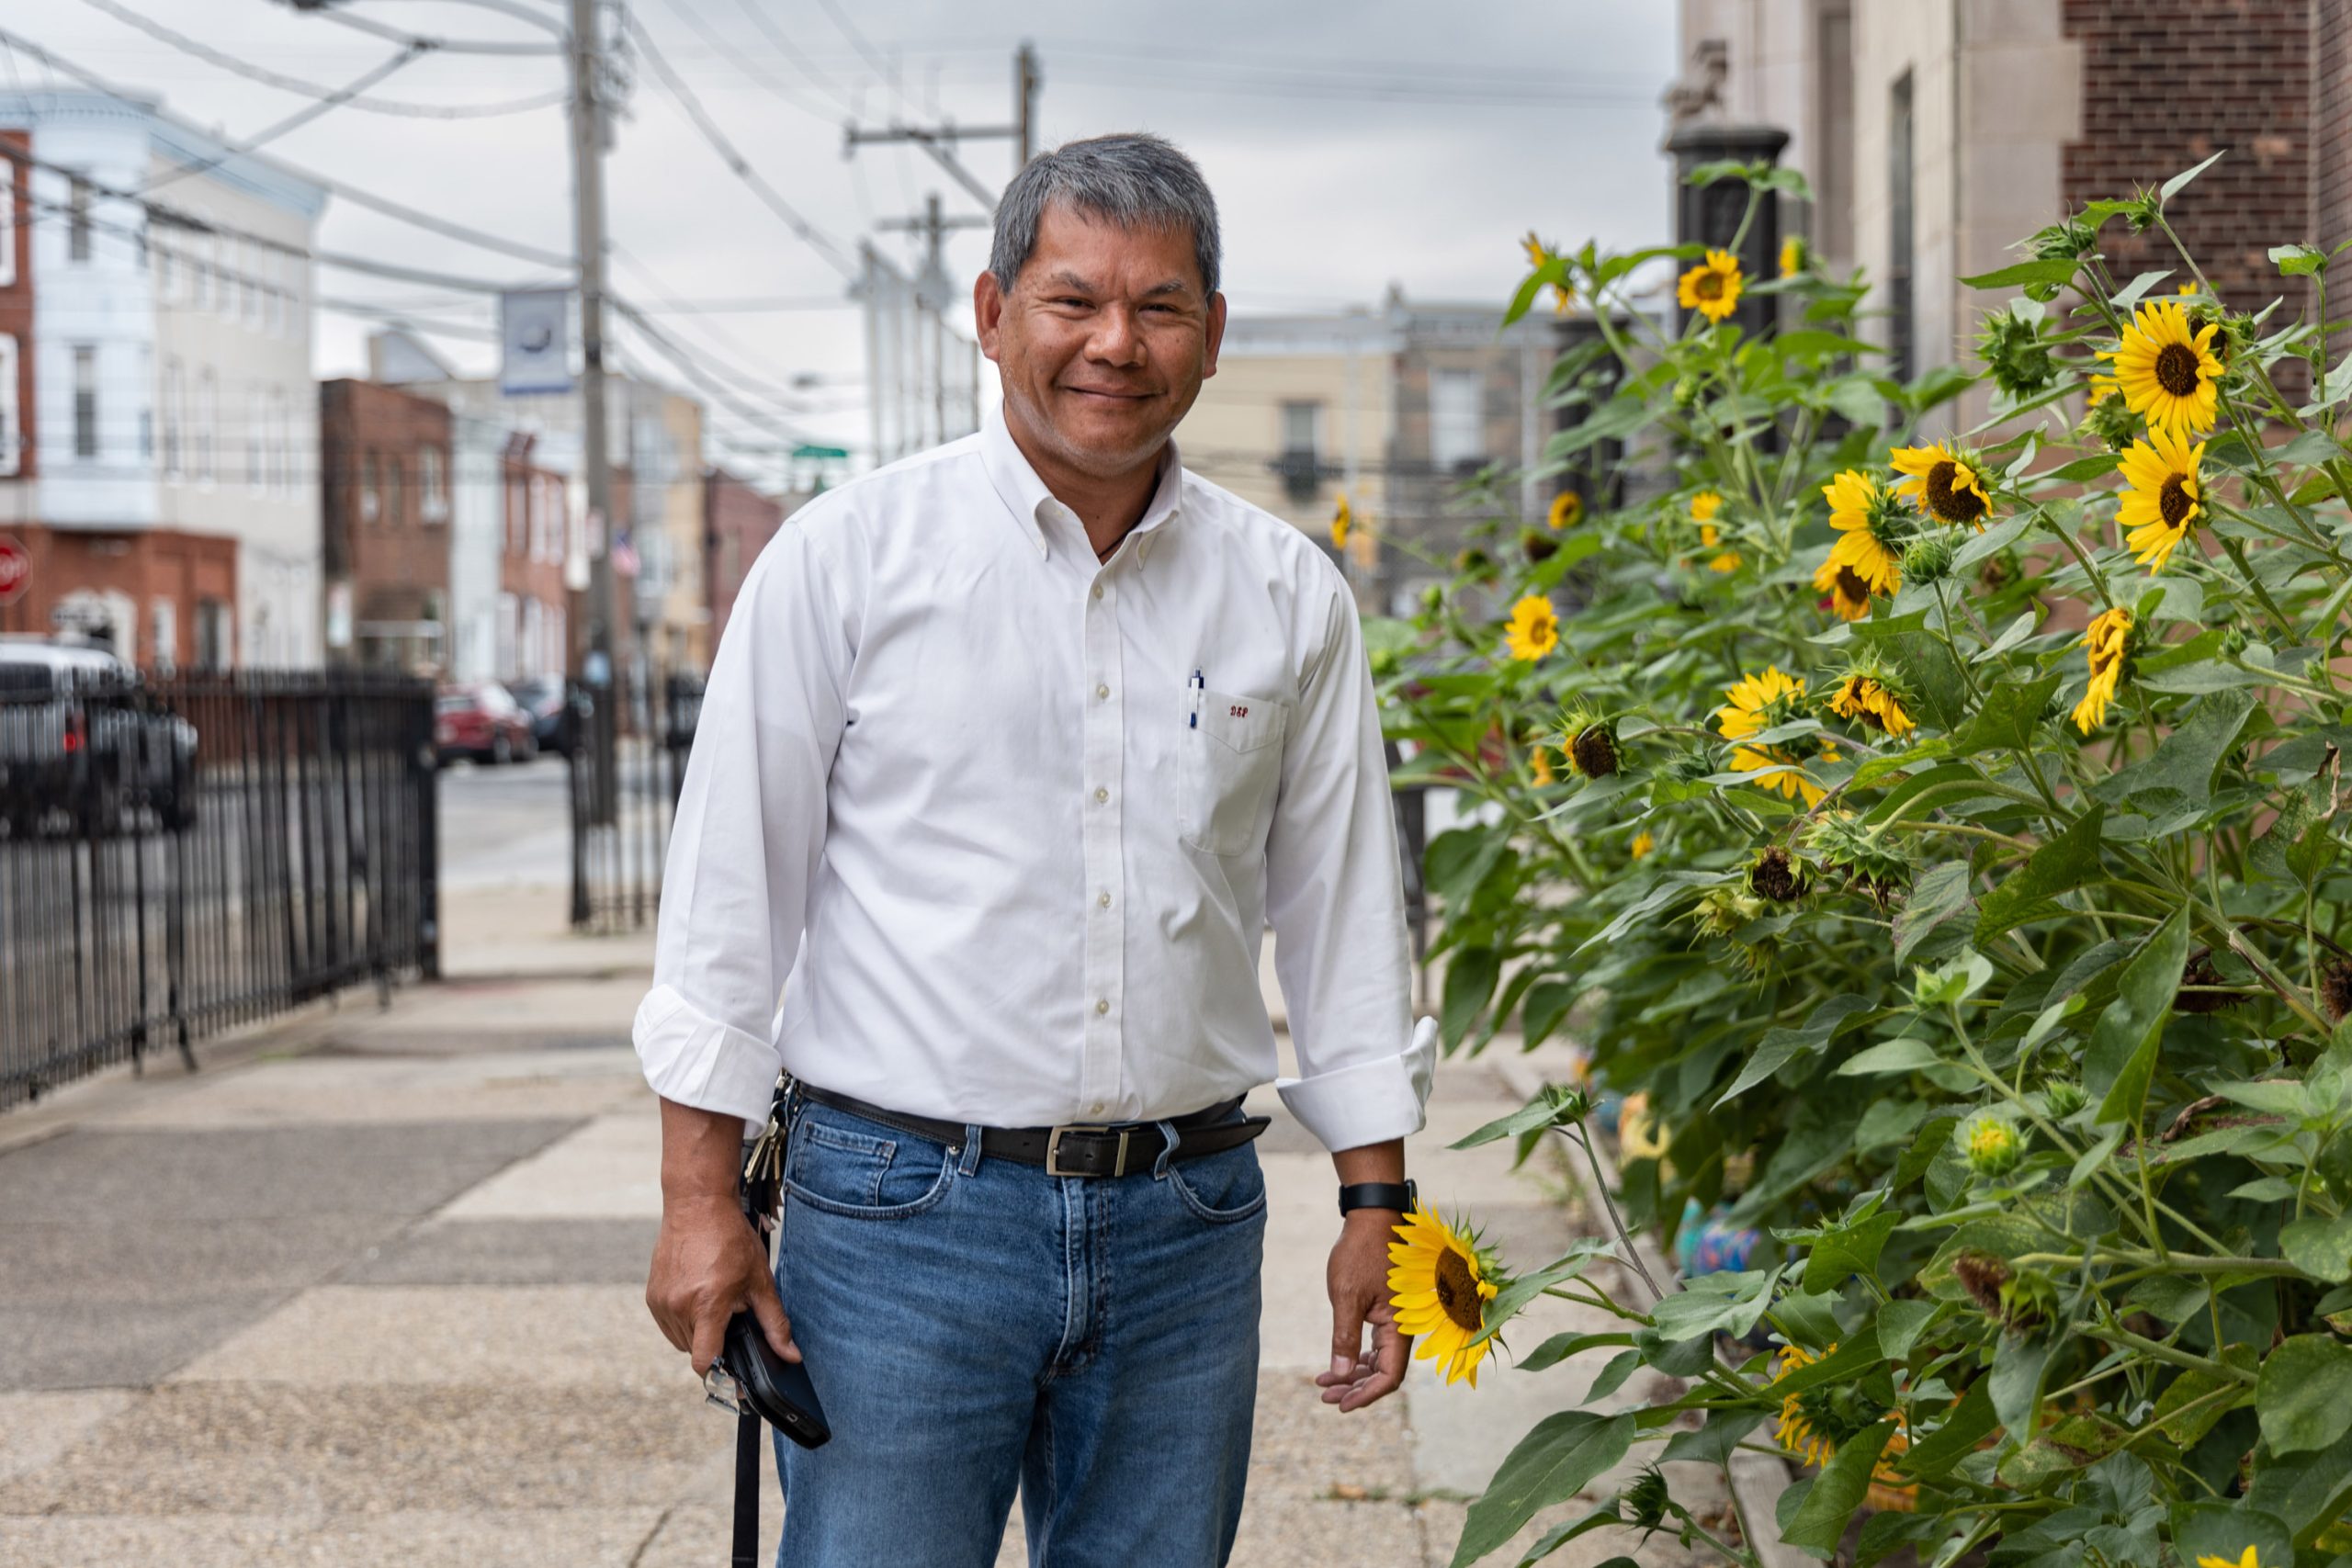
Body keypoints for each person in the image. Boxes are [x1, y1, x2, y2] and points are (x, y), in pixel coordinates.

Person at [635, 130, 1435, 1568]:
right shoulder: (845, 561)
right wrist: (700, 1201)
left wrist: (1376, 1198)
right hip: (898, 1224)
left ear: (1212, 335)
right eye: (1073, 300)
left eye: (1160, 307)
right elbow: (725, 907)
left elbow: (1341, 917)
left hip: (1188, 1221)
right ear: (994, 313)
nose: (1114, 344)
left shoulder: (1287, 594)